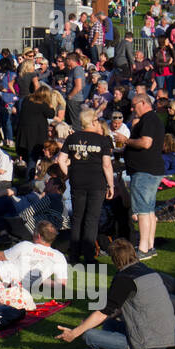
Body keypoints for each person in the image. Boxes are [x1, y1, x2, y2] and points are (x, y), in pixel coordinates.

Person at [55, 238, 175, 349]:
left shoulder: (124, 279)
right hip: (170, 339)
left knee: (89, 335)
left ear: (114, 260)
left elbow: (104, 312)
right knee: (109, 323)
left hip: (148, 347)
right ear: (133, 253)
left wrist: (75, 332)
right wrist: (87, 323)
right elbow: (116, 310)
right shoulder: (149, 271)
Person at [57, 108, 114, 265]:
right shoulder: (103, 140)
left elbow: (61, 160)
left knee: (77, 218)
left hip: (77, 182)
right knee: (91, 219)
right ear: (93, 121)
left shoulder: (72, 138)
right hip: (97, 183)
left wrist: (69, 173)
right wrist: (111, 185)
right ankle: (89, 257)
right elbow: (107, 165)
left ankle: (74, 255)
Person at [119, 94, 164, 259]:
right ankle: (150, 246)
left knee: (143, 211)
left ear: (143, 103)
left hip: (145, 170)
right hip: (151, 170)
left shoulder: (148, 119)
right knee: (150, 210)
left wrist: (126, 141)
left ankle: (143, 249)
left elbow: (145, 143)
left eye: (134, 105)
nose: (132, 109)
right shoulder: (153, 119)